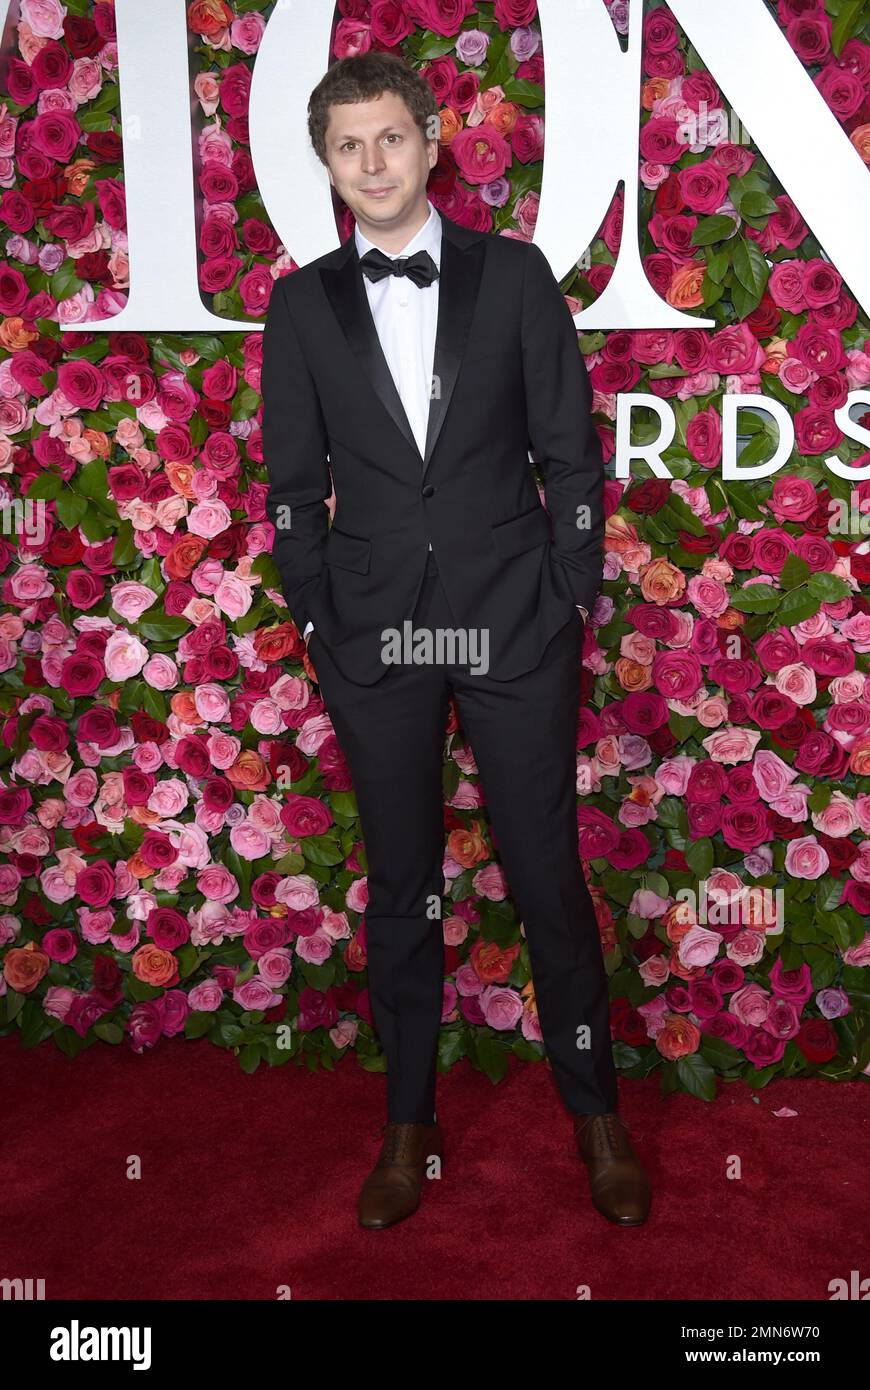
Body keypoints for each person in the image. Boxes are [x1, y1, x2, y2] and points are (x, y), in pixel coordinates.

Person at [262, 51, 651, 1230]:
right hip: (374, 635)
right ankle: (408, 1124)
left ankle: (596, 1114)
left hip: (514, 622)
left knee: (546, 871)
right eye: (348, 146)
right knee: (402, 883)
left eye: (391, 137)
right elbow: (292, 489)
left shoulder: (514, 277)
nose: (372, 162)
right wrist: (321, 617)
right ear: (328, 166)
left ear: (431, 143)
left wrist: (568, 593)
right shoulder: (301, 307)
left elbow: (571, 457)